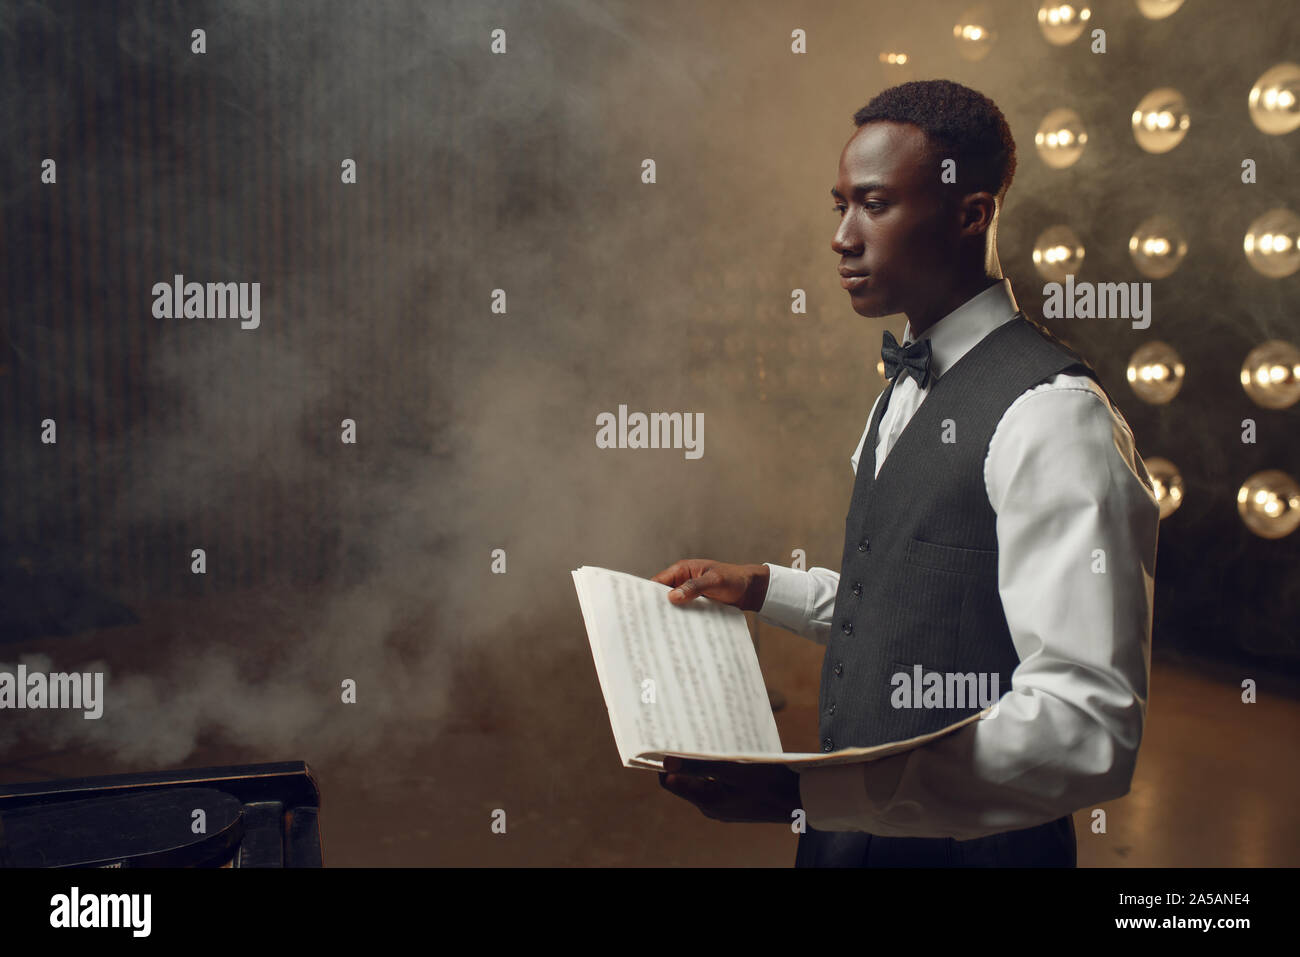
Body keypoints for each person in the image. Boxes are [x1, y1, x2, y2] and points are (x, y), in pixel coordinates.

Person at [652, 79, 1160, 867]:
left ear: (970, 212)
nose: (842, 237)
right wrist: (758, 585)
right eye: (840, 205)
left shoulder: (1055, 417)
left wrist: (805, 794)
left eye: (876, 204)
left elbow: (1086, 726)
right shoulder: (902, 384)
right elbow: (911, 599)